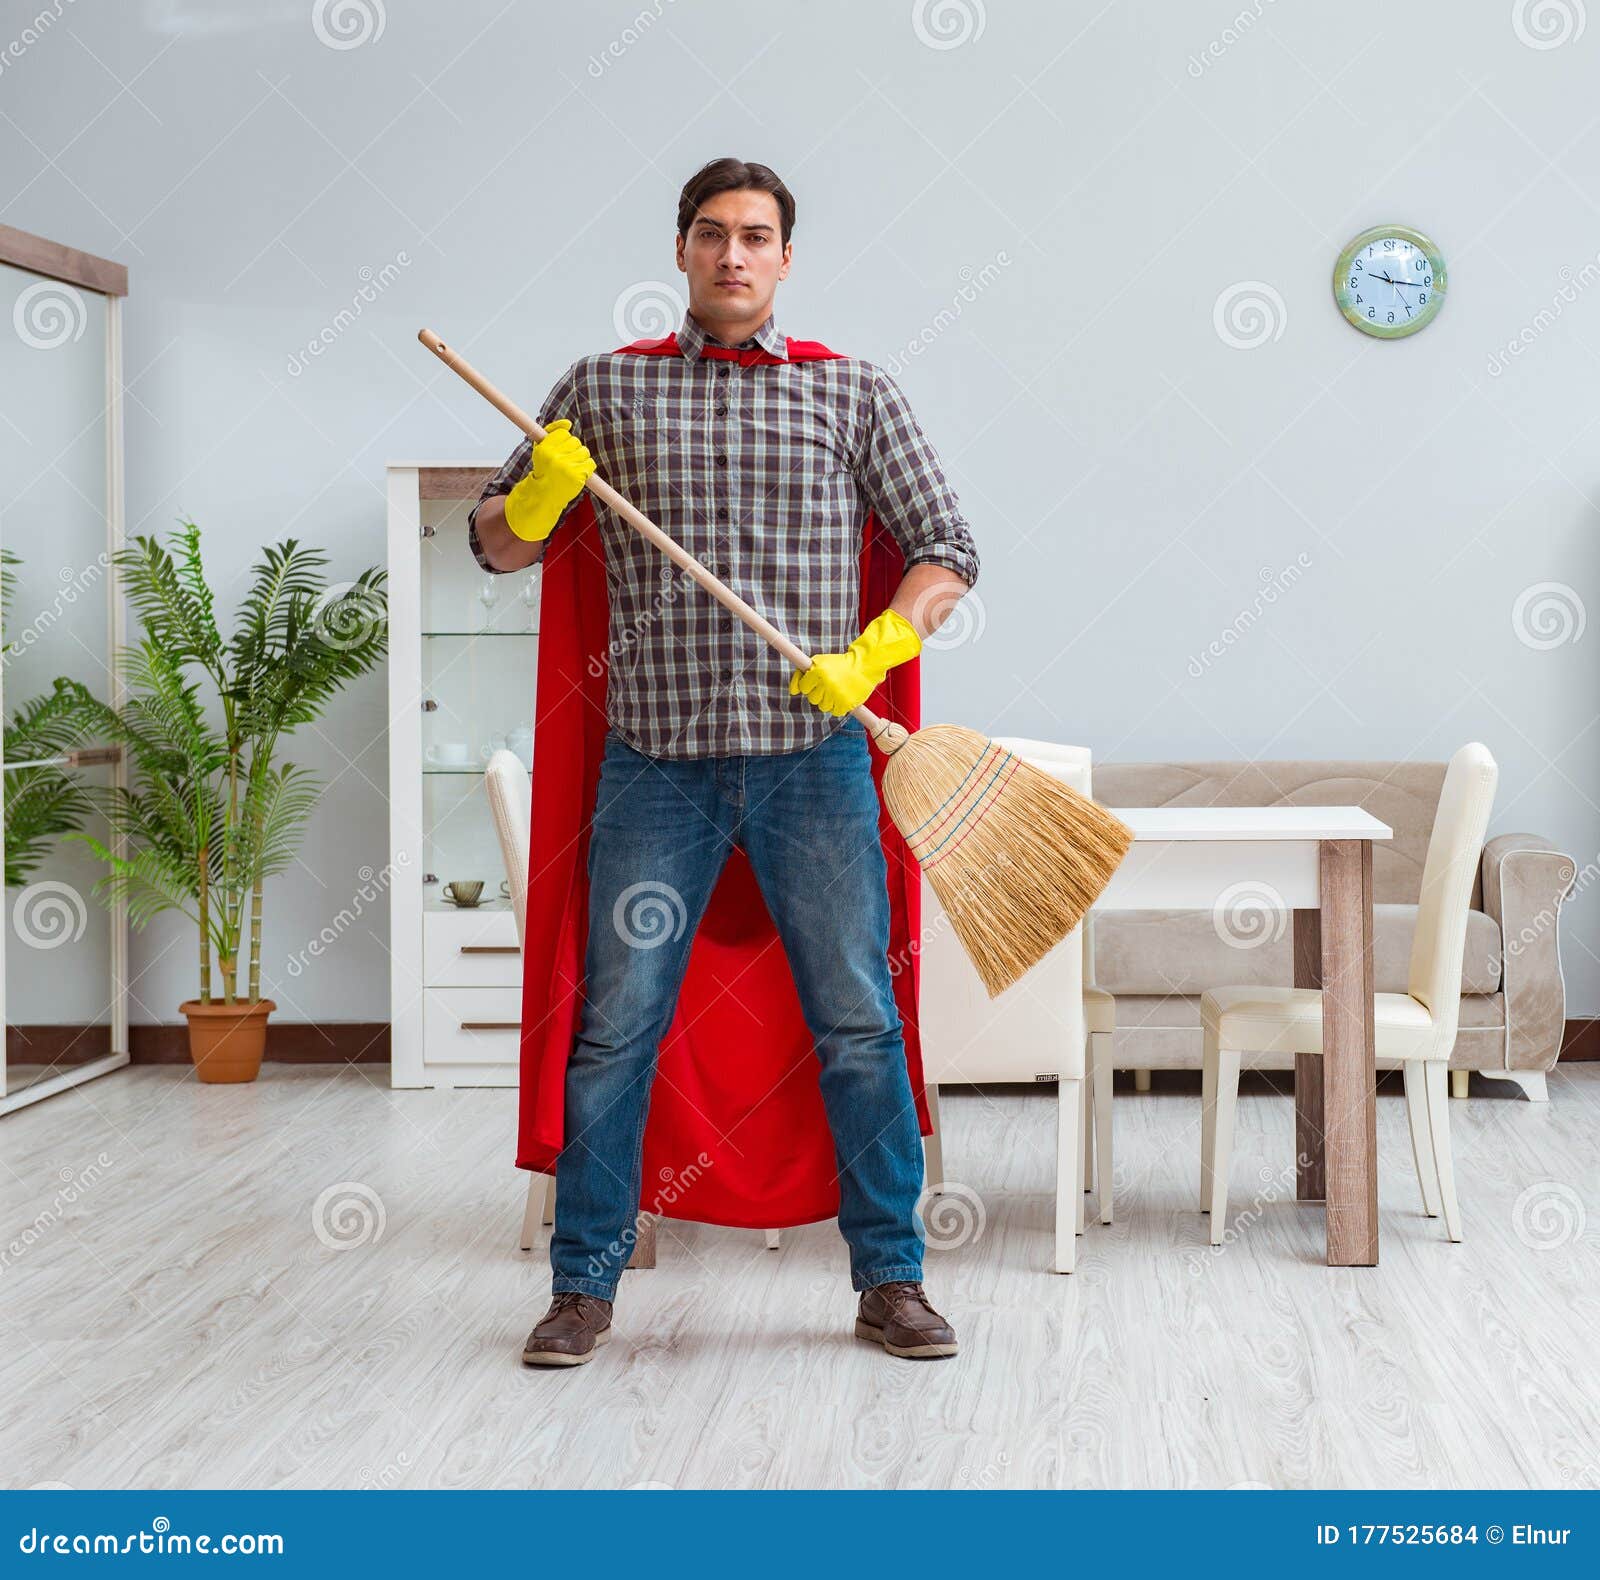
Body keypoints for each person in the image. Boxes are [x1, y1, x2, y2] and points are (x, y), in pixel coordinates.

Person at [470, 156, 980, 1366]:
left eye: (757, 236)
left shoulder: (851, 394)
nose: (734, 255)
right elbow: (495, 548)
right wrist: (538, 494)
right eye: (712, 234)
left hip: (815, 762)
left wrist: (878, 645)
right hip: (658, 765)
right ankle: (582, 1286)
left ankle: (890, 1279)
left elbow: (947, 545)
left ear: (786, 257)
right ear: (681, 252)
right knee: (617, 1027)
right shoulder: (602, 391)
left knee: (858, 1022)